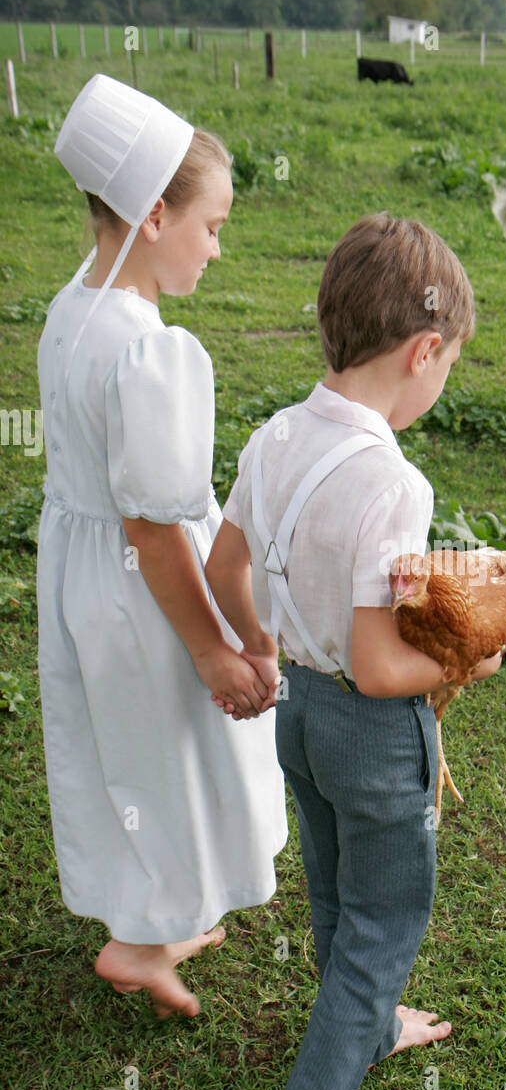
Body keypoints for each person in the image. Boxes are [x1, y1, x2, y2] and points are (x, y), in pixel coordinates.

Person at [205, 213, 503, 1090]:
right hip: (372, 734)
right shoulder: (392, 480)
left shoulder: (275, 435)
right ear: (425, 350)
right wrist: (470, 665)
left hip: (299, 713)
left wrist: (260, 646)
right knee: (381, 928)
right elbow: (383, 669)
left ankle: (368, 1030)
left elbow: (224, 563)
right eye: (449, 361)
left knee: (337, 895)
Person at [37, 74, 287, 1019]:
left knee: (126, 753)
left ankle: (156, 916)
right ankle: (145, 940)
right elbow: (154, 526)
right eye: (212, 224)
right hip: (147, 588)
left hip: (81, 572)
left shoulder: (71, 311)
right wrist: (213, 644)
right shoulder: (151, 349)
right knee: (180, 756)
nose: (218, 247)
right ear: (150, 215)